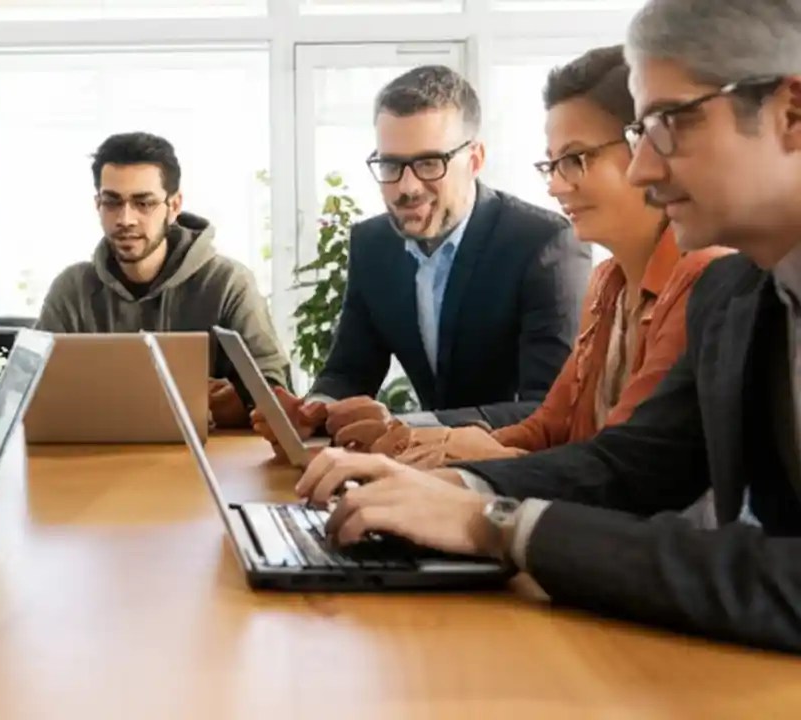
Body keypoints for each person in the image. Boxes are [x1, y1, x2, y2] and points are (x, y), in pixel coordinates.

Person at [296, 0, 801, 653]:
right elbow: (632, 464)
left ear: (791, 113)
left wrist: (498, 524)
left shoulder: (704, 280)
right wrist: (446, 490)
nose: (643, 169)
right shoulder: (738, 294)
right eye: (641, 133)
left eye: (672, 124)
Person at [336, 47, 729, 468]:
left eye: (575, 160)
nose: (555, 186)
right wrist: (435, 446)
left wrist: (466, 464)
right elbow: (547, 427)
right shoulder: (607, 284)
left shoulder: (703, 279)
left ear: (647, 150)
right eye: (553, 164)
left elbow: (621, 466)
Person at [252, 65, 592, 459]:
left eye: (430, 163)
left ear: (475, 159)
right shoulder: (372, 244)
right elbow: (348, 371)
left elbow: (547, 410)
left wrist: (407, 427)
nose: (407, 187)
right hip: (421, 469)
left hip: (515, 469)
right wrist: (314, 412)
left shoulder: (544, 243)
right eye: (391, 165)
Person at [36, 132, 290, 429]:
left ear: (174, 205)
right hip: (96, 451)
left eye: (143, 203)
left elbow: (277, 392)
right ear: (97, 205)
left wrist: (242, 402)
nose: (125, 219)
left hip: (207, 452)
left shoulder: (227, 283)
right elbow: (32, 392)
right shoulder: (71, 291)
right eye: (112, 202)